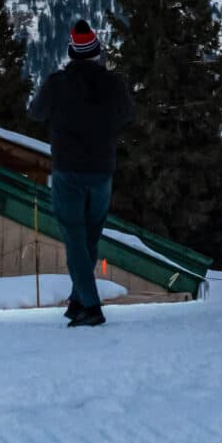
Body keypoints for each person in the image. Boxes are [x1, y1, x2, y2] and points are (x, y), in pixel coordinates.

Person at [26, 19, 137, 326]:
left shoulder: (57, 83)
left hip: (68, 169)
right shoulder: (113, 84)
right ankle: (78, 300)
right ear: (97, 52)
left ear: (72, 53)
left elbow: (35, 113)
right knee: (89, 237)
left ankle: (91, 305)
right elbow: (129, 113)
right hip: (102, 169)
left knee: (74, 237)